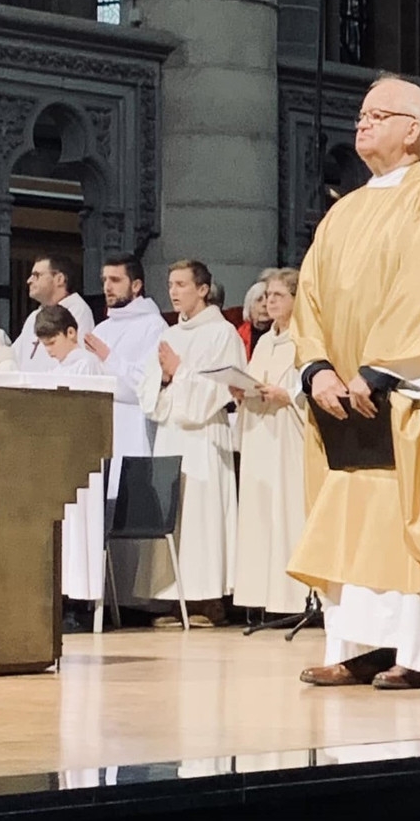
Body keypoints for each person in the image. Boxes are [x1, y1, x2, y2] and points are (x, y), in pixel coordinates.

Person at [288, 75, 420, 690]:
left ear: (414, 131)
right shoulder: (344, 210)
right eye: (362, 114)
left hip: (402, 397)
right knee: (351, 524)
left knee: (409, 522)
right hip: (341, 398)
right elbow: (310, 297)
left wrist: (376, 372)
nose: (362, 123)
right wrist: (318, 367)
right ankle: (359, 645)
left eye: (379, 114)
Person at [135, 259, 245, 627]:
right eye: (170, 285)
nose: (174, 292)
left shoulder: (222, 334)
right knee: (175, 514)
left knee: (202, 516)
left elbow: (216, 392)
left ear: (203, 289)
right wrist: (166, 380)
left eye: (182, 284)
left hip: (203, 438)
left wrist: (177, 372)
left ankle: (207, 599)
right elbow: (148, 390)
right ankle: (173, 597)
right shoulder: (169, 335)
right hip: (171, 436)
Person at [232, 268, 309, 617]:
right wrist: (241, 391)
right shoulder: (265, 342)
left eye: (278, 295)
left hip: (288, 438)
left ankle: (294, 598)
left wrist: (287, 394)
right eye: (266, 296)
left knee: (288, 512)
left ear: (296, 299)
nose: (269, 302)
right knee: (261, 514)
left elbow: (311, 389)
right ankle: (264, 598)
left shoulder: (305, 338)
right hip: (261, 436)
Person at [36, 304, 108, 622]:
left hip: (82, 462)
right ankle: (63, 601)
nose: (49, 351)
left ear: (71, 333)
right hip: (59, 461)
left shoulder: (87, 364)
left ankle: (81, 605)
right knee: (65, 535)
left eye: (52, 343)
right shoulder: (57, 369)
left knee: (81, 534)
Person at [84, 253, 169, 499]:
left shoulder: (154, 326)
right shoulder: (103, 328)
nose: (107, 287)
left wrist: (108, 356)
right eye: (104, 280)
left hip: (134, 431)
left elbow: (145, 387)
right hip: (102, 429)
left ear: (136, 285)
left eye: (115, 280)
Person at [14, 255, 95, 372]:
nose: (29, 281)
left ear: (59, 279)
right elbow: (15, 355)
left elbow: (76, 361)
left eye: (37, 275)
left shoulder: (77, 311)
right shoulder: (34, 316)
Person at [237, 278, 272, 359]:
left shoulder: (280, 332)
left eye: (269, 300)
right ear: (249, 307)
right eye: (259, 300)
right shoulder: (240, 334)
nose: (265, 304)